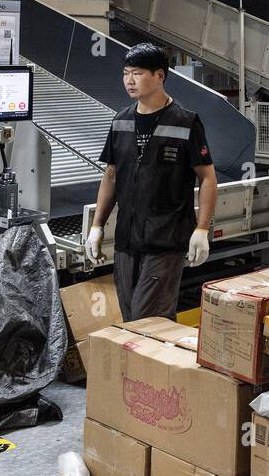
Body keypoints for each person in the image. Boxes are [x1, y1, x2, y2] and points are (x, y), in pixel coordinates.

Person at [86, 43, 218, 321]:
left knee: (149, 320)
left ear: (159, 76)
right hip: (126, 240)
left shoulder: (186, 123)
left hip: (166, 239)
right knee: (131, 317)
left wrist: (202, 229)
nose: (129, 81)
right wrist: (97, 226)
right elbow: (111, 175)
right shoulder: (120, 121)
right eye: (125, 73)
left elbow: (207, 178)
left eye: (137, 73)